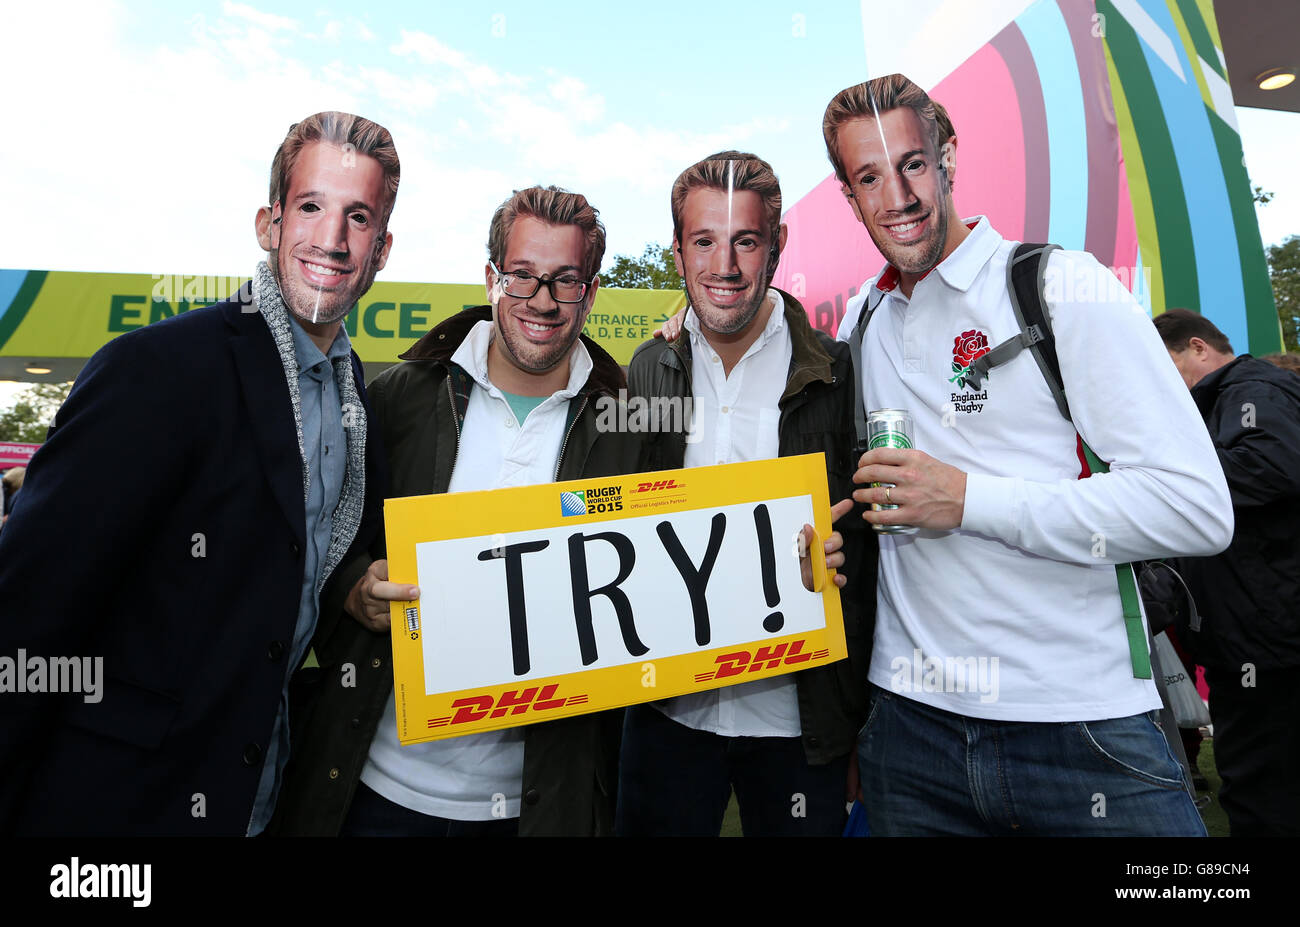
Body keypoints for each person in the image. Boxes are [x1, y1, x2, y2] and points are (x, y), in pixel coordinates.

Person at [827, 75, 1232, 835]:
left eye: (912, 163)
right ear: (851, 198)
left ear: (948, 157)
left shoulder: (1058, 285)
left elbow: (1197, 506)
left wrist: (970, 500)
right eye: (870, 177)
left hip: (1081, 727)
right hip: (909, 730)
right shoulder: (864, 317)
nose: (899, 196)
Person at [0, 112, 396, 835]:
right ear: (267, 224)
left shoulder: (352, 397)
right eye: (310, 207)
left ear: (383, 248)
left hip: (255, 795)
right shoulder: (159, 368)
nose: (332, 240)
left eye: (358, 216)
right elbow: (27, 610)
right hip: (116, 808)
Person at [272, 185, 637, 837]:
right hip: (373, 790)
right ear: (493, 277)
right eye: (523, 275)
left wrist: (790, 562)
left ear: (592, 290)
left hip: (532, 808)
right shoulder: (399, 398)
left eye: (565, 280)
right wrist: (354, 585)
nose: (542, 300)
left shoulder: (632, 425)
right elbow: (318, 538)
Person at [616, 151, 873, 837]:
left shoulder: (838, 372)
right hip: (668, 713)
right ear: (677, 251)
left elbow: (874, 548)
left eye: (746, 240)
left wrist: (845, 555)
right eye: (704, 241)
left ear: (776, 245)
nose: (724, 265)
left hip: (799, 722)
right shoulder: (650, 366)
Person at [1154, 308, 1300, 836]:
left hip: (1268, 635)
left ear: (1198, 347)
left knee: (1262, 787)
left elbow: (1273, 464)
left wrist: (1161, 477)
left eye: (1162, 364)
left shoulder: (1250, 388)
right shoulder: (1221, 399)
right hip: (1249, 631)